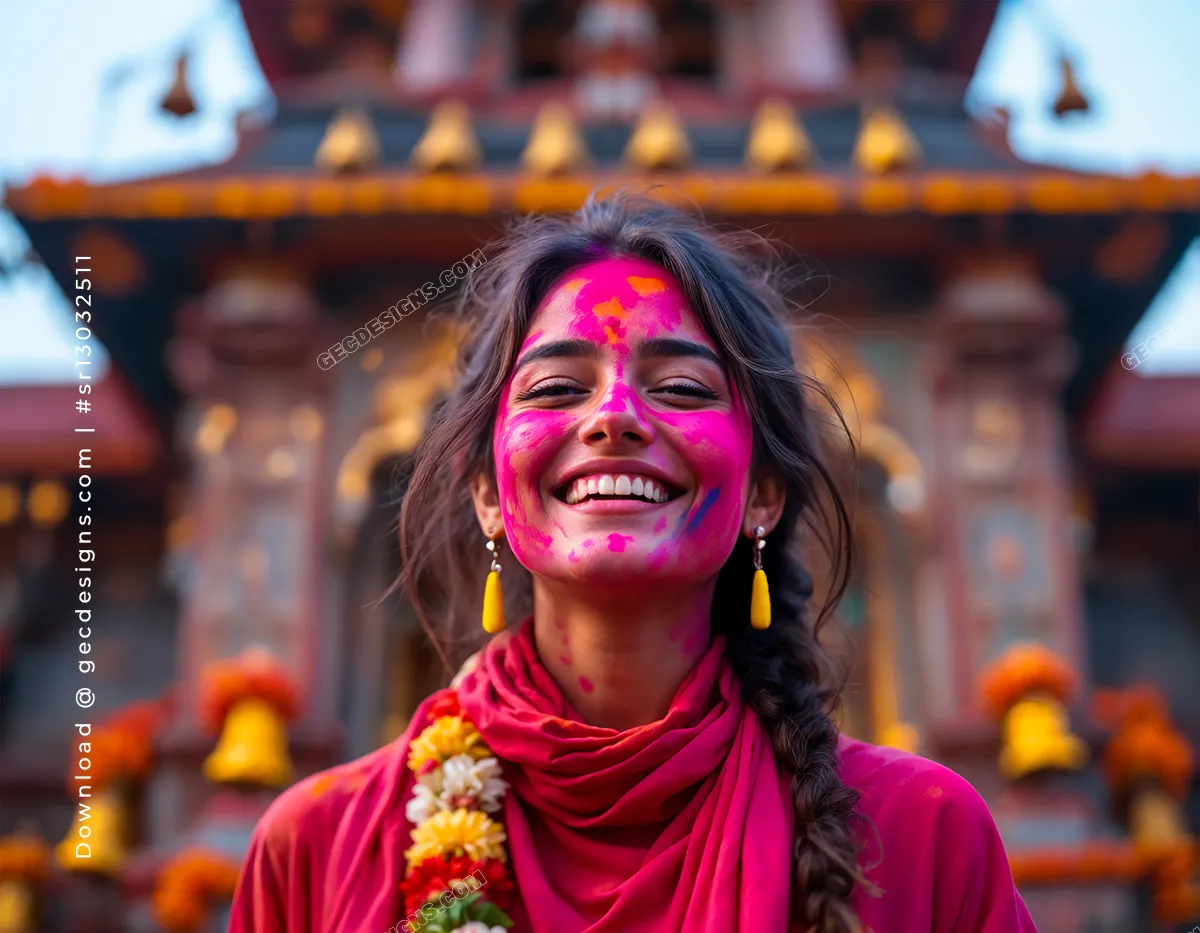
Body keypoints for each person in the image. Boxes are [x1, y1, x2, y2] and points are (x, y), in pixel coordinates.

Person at [228, 195, 1037, 933]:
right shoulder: (315, 848)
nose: (614, 415)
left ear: (763, 493)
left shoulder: (925, 834)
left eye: (682, 388)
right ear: (486, 492)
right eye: (554, 389)